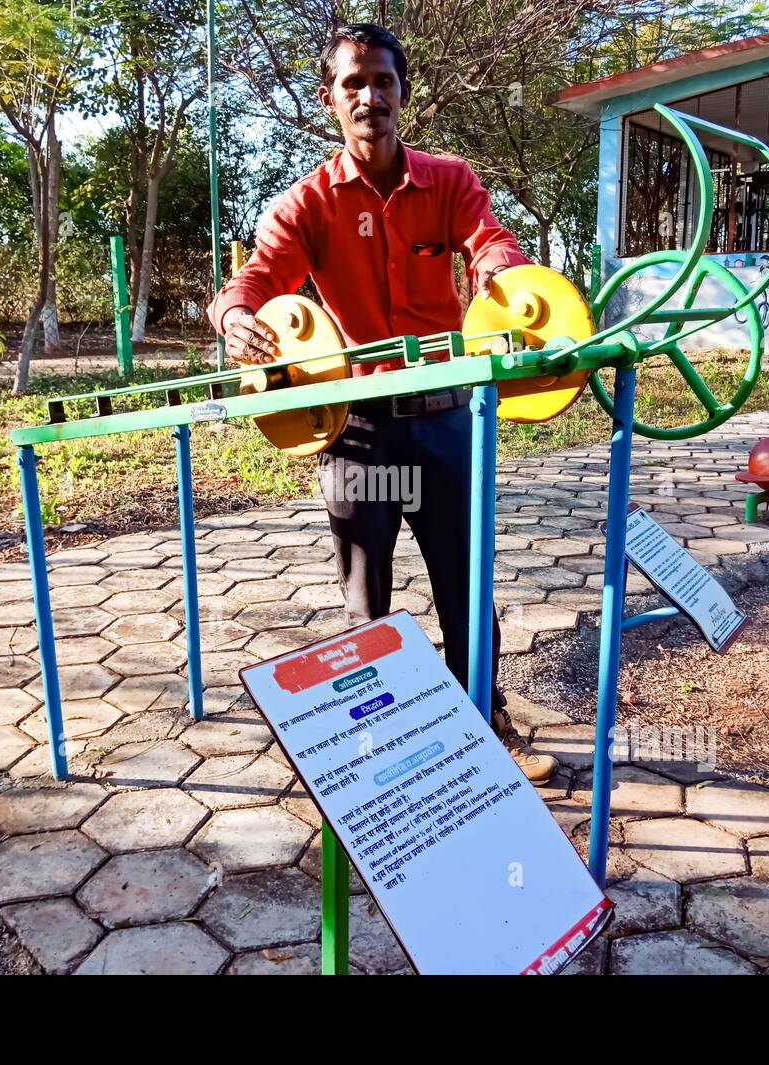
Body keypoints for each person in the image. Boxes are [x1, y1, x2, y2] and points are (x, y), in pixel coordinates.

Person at [207, 23, 557, 785]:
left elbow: (489, 241)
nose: (371, 97)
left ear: (404, 93)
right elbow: (257, 280)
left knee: (467, 584)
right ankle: (389, 743)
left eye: (384, 82)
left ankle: (486, 725)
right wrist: (236, 319)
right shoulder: (309, 203)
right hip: (356, 435)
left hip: (443, 423)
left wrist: (507, 278)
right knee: (367, 600)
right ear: (331, 101)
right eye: (353, 84)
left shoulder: (449, 180)